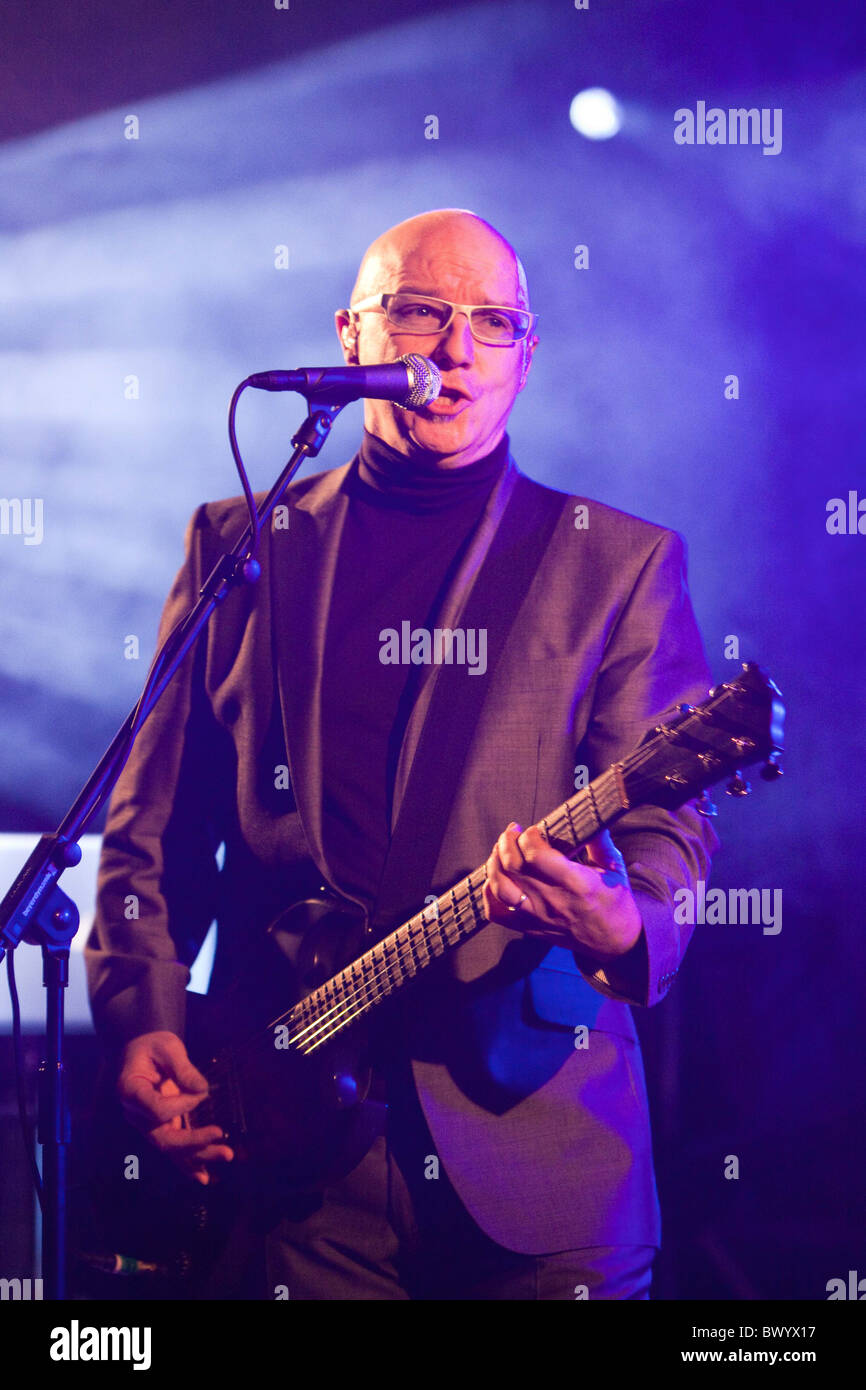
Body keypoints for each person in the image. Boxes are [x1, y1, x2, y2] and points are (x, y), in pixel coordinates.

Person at [85, 208, 718, 1300]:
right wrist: (143, 1017)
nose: (456, 348)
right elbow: (154, 827)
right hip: (283, 1141)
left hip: (541, 1152)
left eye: (492, 322)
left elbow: (665, 824)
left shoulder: (617, 564)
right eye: (421, 310)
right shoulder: (240, 544)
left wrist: (625, 921)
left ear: (525, 357)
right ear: (352, 336)